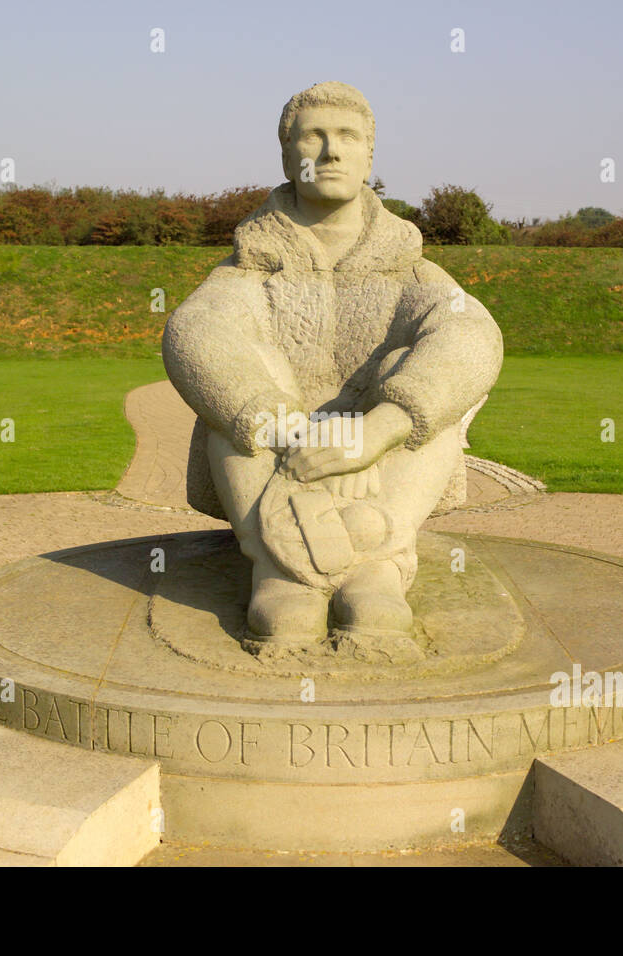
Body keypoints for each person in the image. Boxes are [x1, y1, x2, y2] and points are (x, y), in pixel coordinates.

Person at [163, 81, 503, 662]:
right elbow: (197, 332)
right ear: (288, 154)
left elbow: (472, 334)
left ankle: (377, 568)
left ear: (370, 153)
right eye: (313, 136)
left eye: (348, 137)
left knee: (421, 384)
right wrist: (305, 438)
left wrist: (375, 432)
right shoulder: (252, 266)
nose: (331, 152)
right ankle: (283, 569)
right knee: (241, 382)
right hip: (281, 454)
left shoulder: (407, 266)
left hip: (382, 472)